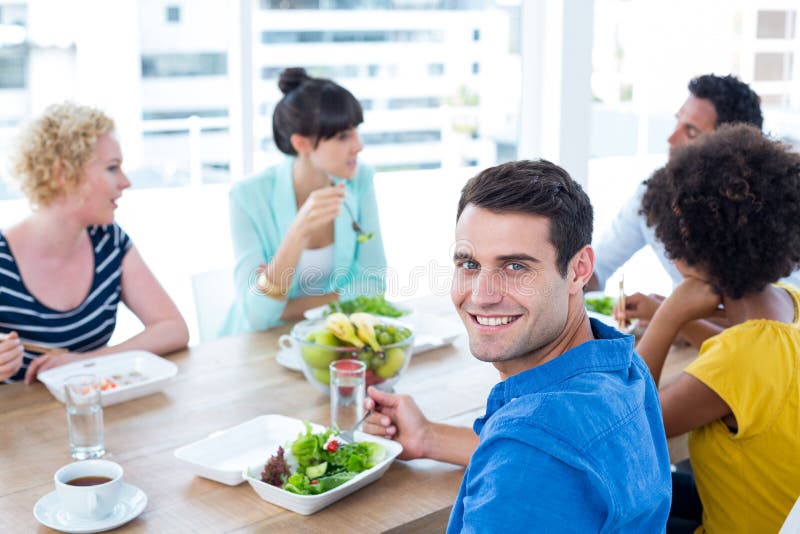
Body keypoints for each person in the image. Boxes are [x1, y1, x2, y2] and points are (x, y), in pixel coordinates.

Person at [365, 160, 671, 531]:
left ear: (579, 269)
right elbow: (561, 456)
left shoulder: (529, 456)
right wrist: (428, 437)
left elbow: (537, 458)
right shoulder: (620, 363)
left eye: (515, 267)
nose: (482, 295)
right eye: (469, 263)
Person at [632, 124, 800, 533]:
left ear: (686, 248)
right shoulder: (790, 306)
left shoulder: (737, 361)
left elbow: (624, 428)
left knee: (597, 501)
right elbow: (750, 358)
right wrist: (683, 318)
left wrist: (670, 315)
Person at [0, 102, 189, 384]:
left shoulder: (109, 242)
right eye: (112, 168)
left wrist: (88, 362)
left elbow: (173, 328)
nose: (126, 182)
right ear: (63, 174)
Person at [221, 68, 386, 335]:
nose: (358, 145)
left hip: (332, 336)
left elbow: (374, 287)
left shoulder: (360, 180)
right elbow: (256, 316)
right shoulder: (247, 197)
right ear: (301, 143)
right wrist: (298, 231)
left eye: (356, 131)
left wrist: (283, 305)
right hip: (258, 346)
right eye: (343, 136)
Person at [588, 73, 786, 292]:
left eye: (691, 132)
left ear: (734, 146)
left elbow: (782, 314)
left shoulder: (771, 216)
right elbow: (596, 267)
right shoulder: (654, 195)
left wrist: (668, 314)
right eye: (677, 122)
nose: (671, 140)